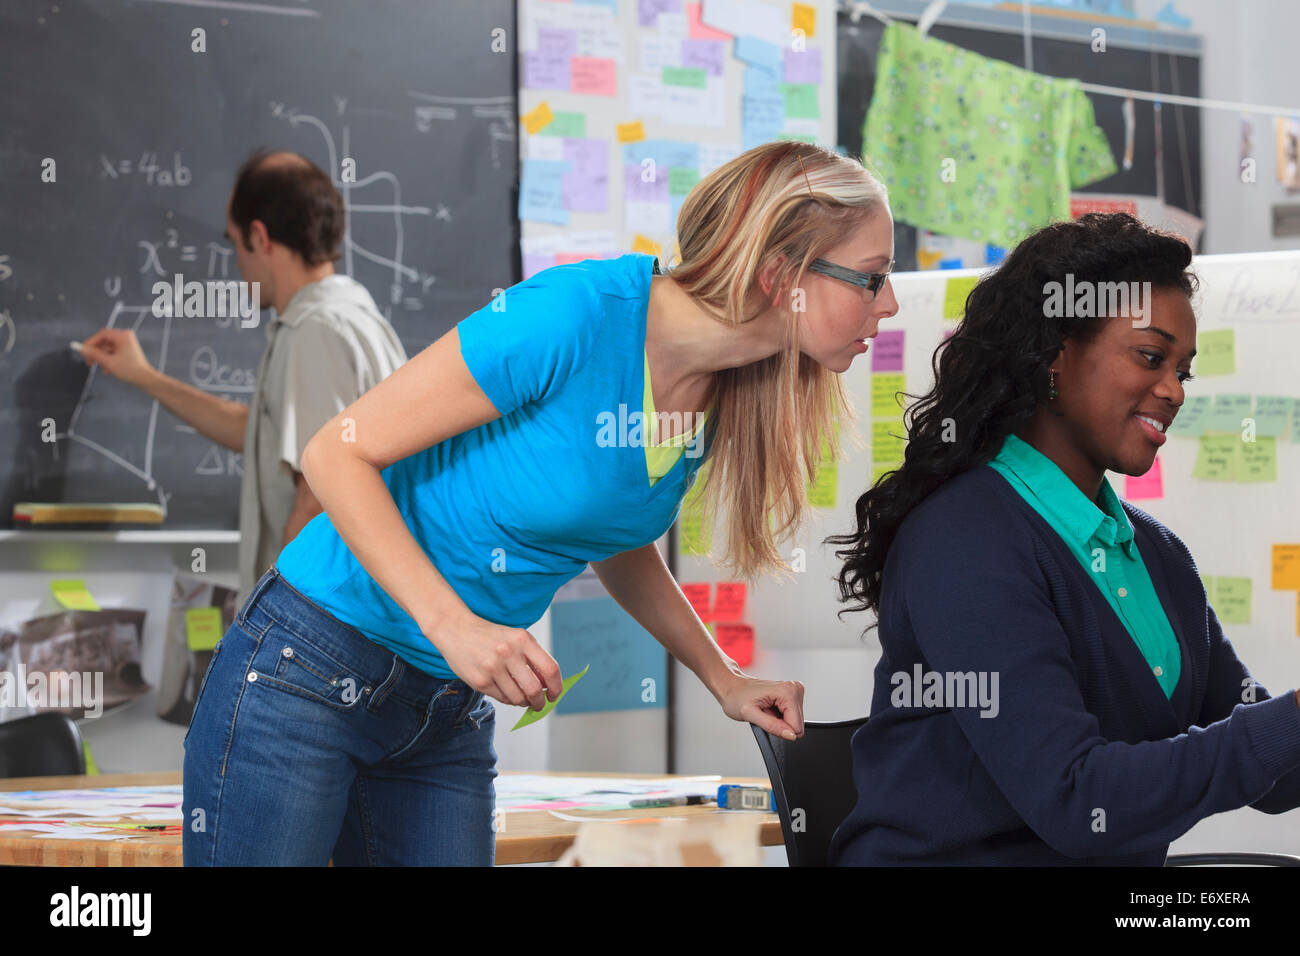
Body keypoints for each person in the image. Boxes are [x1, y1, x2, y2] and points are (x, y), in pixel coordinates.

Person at [181, 140, 899, 865]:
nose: (891, 303)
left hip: (441, 708)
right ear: (781, 274)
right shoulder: (574, 315)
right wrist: (458, 629)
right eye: (872, 278)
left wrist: (725, 679)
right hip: (306, 668)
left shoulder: (724, 389)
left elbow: (612, 531)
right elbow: (336, 452)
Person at [826, 212, 1300, 866]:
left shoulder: (1157, 559)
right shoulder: (966, 540)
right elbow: (1077, 800)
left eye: (1183, 371)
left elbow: (1275, 770)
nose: (1172, 390)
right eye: (1150, 357)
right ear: (1052, 354)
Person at [80, 150, 407, 606]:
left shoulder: (314, 332)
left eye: (235, 243)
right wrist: (144, 377)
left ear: (260, 236)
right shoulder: (351, 314)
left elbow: (318, 490)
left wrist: (272, 615)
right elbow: (260, 432)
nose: (237, 264)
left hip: (328, 621)